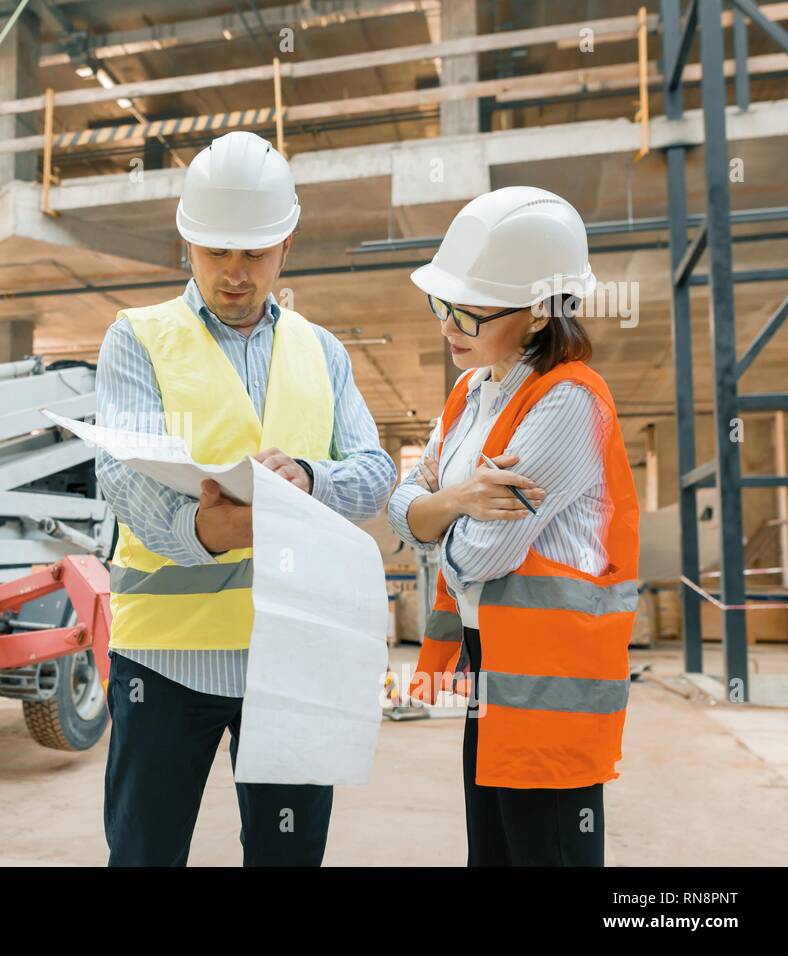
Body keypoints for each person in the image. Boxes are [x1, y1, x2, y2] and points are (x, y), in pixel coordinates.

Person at [95, 130, 398, 866]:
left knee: (288, 857)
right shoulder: (137, 338)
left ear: (285, 245)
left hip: (294, 656)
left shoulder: (322, 351)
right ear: (186, 244)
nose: (234, 273)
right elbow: (123, 478)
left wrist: (309, 476)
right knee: (144, 853)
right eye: (215, 252)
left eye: (254, 253)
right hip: (166, 662)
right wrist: (209, 528)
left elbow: (374, 467)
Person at [387, 185, 640, 866]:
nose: (448, 329)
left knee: (546, 852)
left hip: (548, 676)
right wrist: (455, 500)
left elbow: (477, 558)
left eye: (467, 315)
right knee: (492, 855)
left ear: (535, 316)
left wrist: (438, 512)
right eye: (442, 306)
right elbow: (401, 505)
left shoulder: (567, 406)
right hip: (486, 658)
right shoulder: (473, 393)